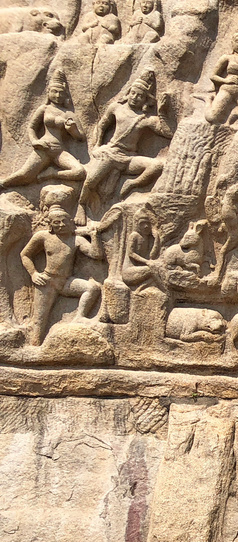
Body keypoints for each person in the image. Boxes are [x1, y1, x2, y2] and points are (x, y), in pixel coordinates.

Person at [79, 70, 173, 213]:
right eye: (133, 93)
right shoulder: (116, 108)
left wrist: (161, 112)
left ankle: (131, 184)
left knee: (157, 166)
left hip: (129, 158)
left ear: (146, 100)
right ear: (128, 93)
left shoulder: (145, 119)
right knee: (90, 181)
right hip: (111, 154)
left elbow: (168, 133)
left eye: (140, 96)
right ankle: (81, 205)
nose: (135, 97)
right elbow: (102, 125)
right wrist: (97, 144)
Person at [20, 206, 103, 345]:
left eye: (64, 221)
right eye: (56, 222)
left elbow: (96, 254)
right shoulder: (43, 236)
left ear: (71, 222)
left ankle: (80, 316)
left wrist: (94, 237)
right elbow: (25, 254)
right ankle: (34, 347)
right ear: (50, 225)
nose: (61, 225)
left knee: (92, 289)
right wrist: (34, 273)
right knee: (39, 322)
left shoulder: (76, 240)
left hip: (65, 282)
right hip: (46, 281)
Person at [0, 70, 85, 188]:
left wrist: (72, 129)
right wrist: (35, 141)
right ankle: (3, 184)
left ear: (65, 95)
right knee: (25, 175)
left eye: (61, 93)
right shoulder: (44, 109)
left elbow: (80, 137)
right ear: (48, 92)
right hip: (44, 148)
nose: (57, 96)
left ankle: (51, 174)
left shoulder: (68, 114)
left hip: (59, 151)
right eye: (54, 92)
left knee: (79, 172)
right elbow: (31, 127)